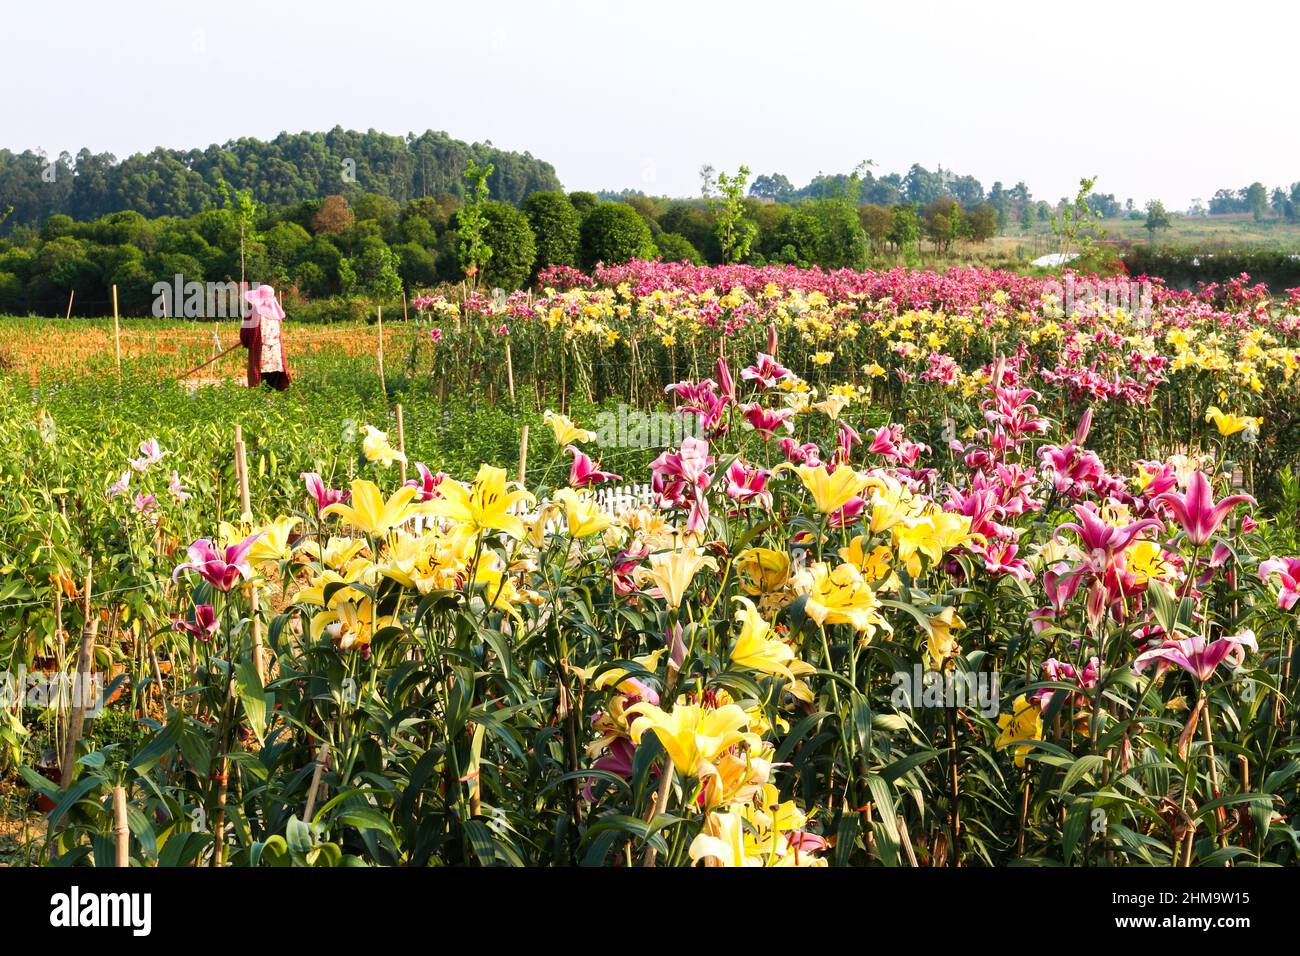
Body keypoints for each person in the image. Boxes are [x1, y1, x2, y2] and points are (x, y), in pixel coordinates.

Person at [240, 284, 292, 390]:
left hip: (261, 358)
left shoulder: (253, 313)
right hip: (276, 358)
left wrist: (246, 342)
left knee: (260, 388)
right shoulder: (276, 314)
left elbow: (245, 336)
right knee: (273, 387)